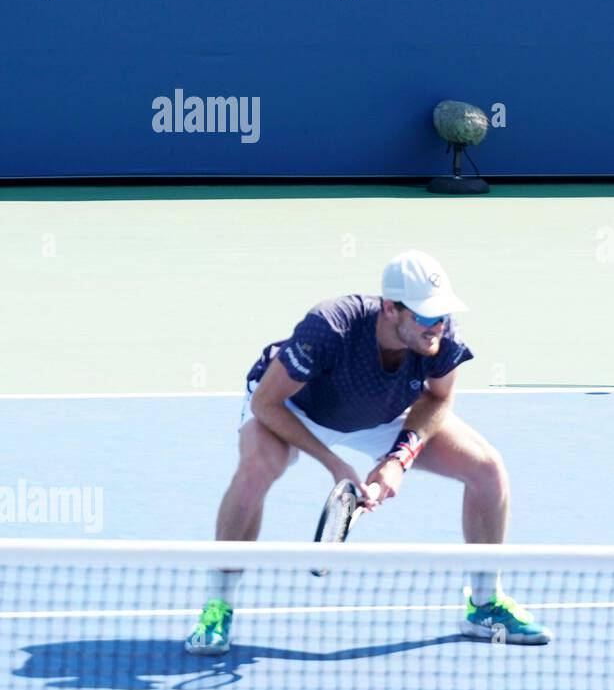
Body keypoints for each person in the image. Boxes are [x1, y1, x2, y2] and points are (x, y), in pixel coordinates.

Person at [184, 250, 551, 654]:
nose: (437, 326)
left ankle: (484, 606)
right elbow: (265, 405)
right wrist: (335, 463)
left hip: (383, 413)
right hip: (296, 408)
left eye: (442, 315)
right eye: (427, 316)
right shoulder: (329, 327)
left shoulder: (442, 338)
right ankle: (218, 606)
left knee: (487, 469)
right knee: (256, 470)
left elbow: (439, 398)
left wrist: (398, 460)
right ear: (391, 309)